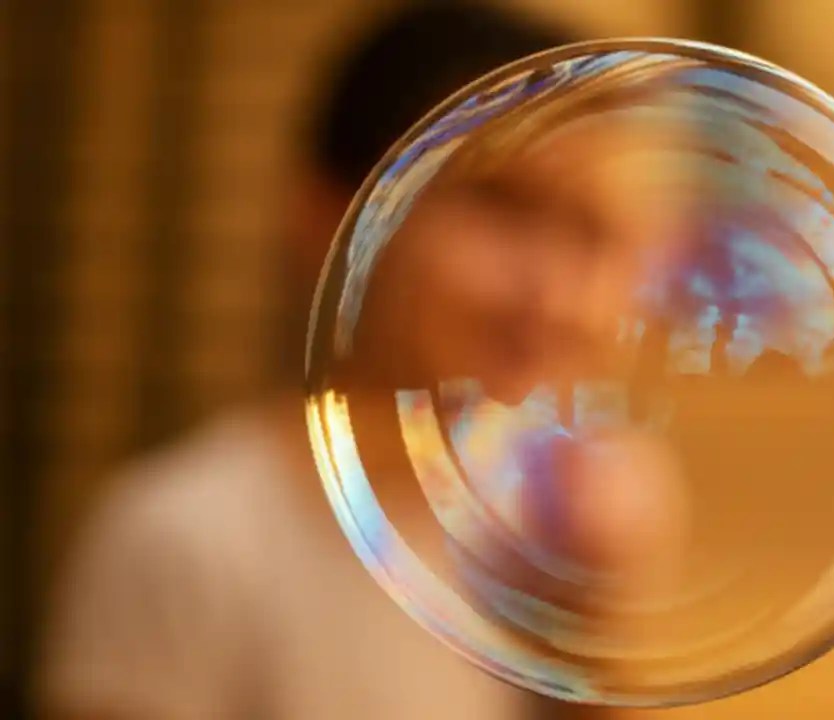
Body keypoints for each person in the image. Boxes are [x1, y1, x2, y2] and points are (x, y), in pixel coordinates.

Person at [38, 4, 685, 719]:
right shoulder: (185, 541)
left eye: (592, 233)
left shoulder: (571, 525)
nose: (554, 293)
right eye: (501, 206)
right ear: (328, 216)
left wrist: (586, 633)